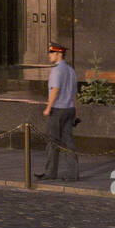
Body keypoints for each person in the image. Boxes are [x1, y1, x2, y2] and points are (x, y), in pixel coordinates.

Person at [37, 43, 79, 181]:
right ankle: (73, 174)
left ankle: (50, 172)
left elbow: (55, 90)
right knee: (68, 142)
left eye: (51, 53)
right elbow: (75, 94)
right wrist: (76, 112)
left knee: (53, 141)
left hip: (58, 110)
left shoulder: (56, 71)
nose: (49, 55)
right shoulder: (71, 70)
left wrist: (48, 108)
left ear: (58, 54)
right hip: (70, 109)